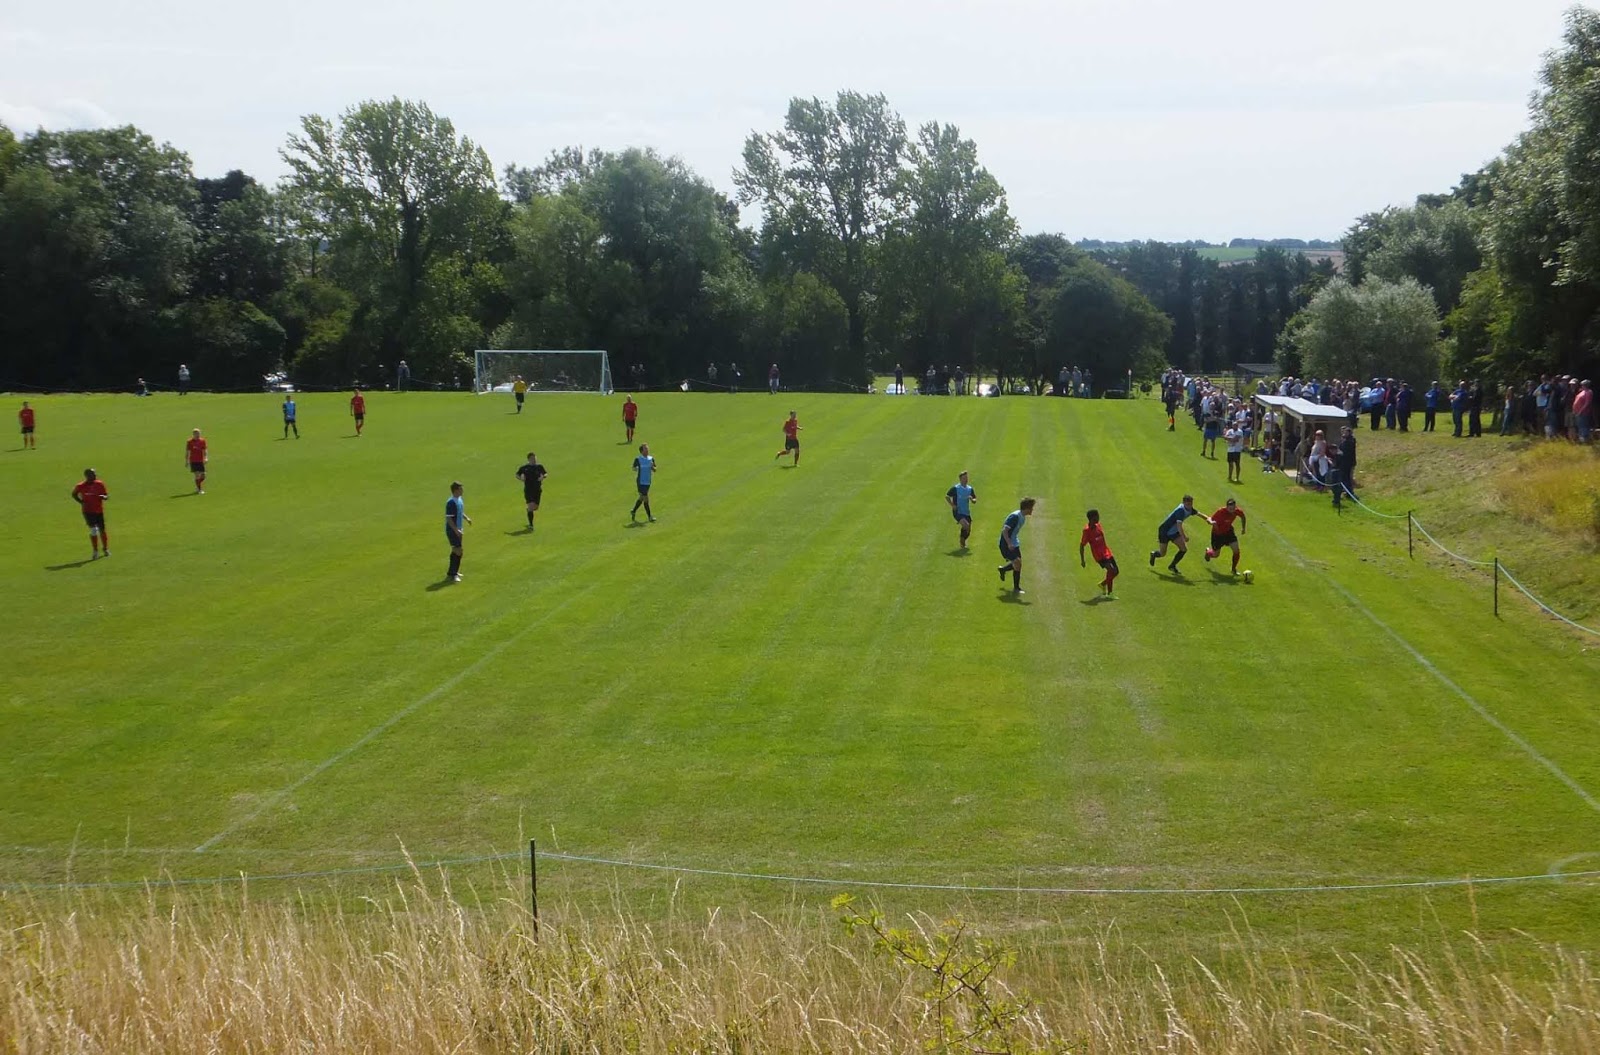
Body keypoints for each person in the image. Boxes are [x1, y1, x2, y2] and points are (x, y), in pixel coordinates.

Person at [1149, 495, 1210, 574]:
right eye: (1188, 504)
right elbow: (1179, 526)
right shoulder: (1180, 511)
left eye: (1191, 504)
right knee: (1162, 553)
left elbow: (1199, 514)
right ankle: (1154, 554)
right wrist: (1184, 537)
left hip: (1173, 532)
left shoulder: (1189, 509)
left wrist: (1209, 519)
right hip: (1164, 531)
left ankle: (1172, 566)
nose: (1189, 505)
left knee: (1183, 549)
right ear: (1183, 503)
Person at [996, 497, 1036, 595]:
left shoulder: (1022, 517)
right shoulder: (1015, 517)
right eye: (1031, 508)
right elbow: (1004, 531)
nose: (1032, 510)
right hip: (1006, 544)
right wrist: (1009, 543)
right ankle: (1016, 588)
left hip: (1014, 542)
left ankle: (1003, 569)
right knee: (1017, 563)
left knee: (1018, 564)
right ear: (1027, 508)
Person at [71, 468, 110, 558]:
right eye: (93, 474)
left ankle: (105, 549)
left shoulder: (100, 484)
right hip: (88, 511)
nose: (95, 476)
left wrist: (104, 497)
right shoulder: (81, 486)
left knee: (102, 530)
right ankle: (95, 551)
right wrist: (81, 502)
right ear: (87, 476)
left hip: (99, 511)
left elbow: (106, 495)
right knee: (94, 530)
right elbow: (74, 494)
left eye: (95, 474)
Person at [1079, 508, 1118, 597]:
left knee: (1116, 572)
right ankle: (1110, 593)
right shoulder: (1086, 531)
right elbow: (1082, 545)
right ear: (1092, 518)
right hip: (1099, 555)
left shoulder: (1098, 525)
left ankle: (1103, 584)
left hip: (1107, 552)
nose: (1098, 518)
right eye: (1097, 517)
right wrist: (1082, 560)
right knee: (1111, 570)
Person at [1203, 498, 1247, 575]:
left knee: (1236, 550)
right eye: (1230, 509)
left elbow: (1243, 517)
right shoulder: (1220, 512)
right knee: (1216, 555)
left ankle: (1233, 569)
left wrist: (1243, 528)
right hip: (1217, 535)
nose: (1232, 510)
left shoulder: (1237, 511)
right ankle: (1208, 552)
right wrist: (1211, 522)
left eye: (1233, 508)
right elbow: (1209, 518)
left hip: (1229, 532)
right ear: (1226, 507)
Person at [444, 481, 471, 582]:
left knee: (456, 551)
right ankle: (453, 574)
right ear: (456, 490)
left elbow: (459, 511)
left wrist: (466, 518)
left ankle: (453, 572)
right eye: (461, 489)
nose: (462, 490)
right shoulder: (451, 502)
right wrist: (456, 531)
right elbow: (449, 519)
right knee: (459, 551)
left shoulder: (459, 499)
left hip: (458, 529)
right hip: (452, 530)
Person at [515, 452, 547, 531]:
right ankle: (531, 525)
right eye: (532, 458)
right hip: (528, 490)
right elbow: (517, 474)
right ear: (529, 459)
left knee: (535, 508)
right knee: (531, 506)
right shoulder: (524, 468)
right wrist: (521, 479)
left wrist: (543, 477)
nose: (534, 460)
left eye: (535, 458)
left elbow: (545, 473)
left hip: (537, 490)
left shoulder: (539, 467)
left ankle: (529, 510)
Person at [945, 470, 977, 549]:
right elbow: (947, 496)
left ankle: (962, 540)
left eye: (966, 478)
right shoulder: (956, 488)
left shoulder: (970, 489)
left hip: (966, 512)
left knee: (968, 530)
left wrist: (972, 500)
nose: (966, 479)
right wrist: (952, 505)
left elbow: (974, 499)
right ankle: (962, 543)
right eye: (964, 478)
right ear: (960, 479)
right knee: (966, 525)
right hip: (958, 512)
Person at [630, 443, 658, 522]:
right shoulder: (638, 459)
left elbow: (655, 469)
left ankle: (633, 511)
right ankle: (650, 517)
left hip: (648, 481)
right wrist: (637, 469)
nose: (647, 450)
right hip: (640, 481)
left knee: (642, 498)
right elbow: (633, 468)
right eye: (645, 449)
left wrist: (652, 467)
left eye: (647, 448)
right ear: (642, 451)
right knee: (646, 499)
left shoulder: (651, 459)